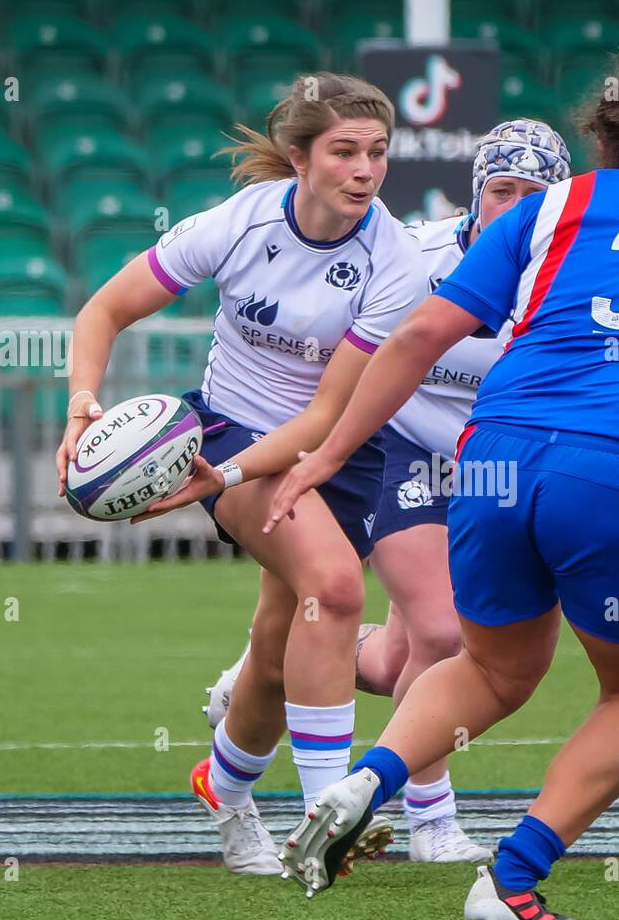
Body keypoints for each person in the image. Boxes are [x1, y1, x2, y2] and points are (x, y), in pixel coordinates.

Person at [261, 51, 619, 920]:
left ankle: (367, 779)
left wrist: (331, 452)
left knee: (488, 665)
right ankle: (510, 881)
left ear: (599, 140)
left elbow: (414, 337)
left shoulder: (552, 206)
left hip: (495, 457)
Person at [53, 72, 425, 875]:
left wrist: (221, 479)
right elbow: (102, 311)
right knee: (335, 584)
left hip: (338, 451)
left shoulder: (393, 261)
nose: (366, 170)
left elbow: (327, 417)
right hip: (230, 430)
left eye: (378, 154)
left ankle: (223, 787)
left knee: (273, 646)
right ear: (299, 156)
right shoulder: (240, 220)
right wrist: (84, 405)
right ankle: (333, 815)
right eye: (345, 152)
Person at [203, 120, 573, 866]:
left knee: (395, 654)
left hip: (492, 465)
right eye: (502, 190)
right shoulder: (418, 255)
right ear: (477, 193)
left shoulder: (569, 276)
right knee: (440, 632)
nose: (517, 207)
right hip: (397, 449)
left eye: (537, 195)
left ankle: (254, 673)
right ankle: (430, 818)